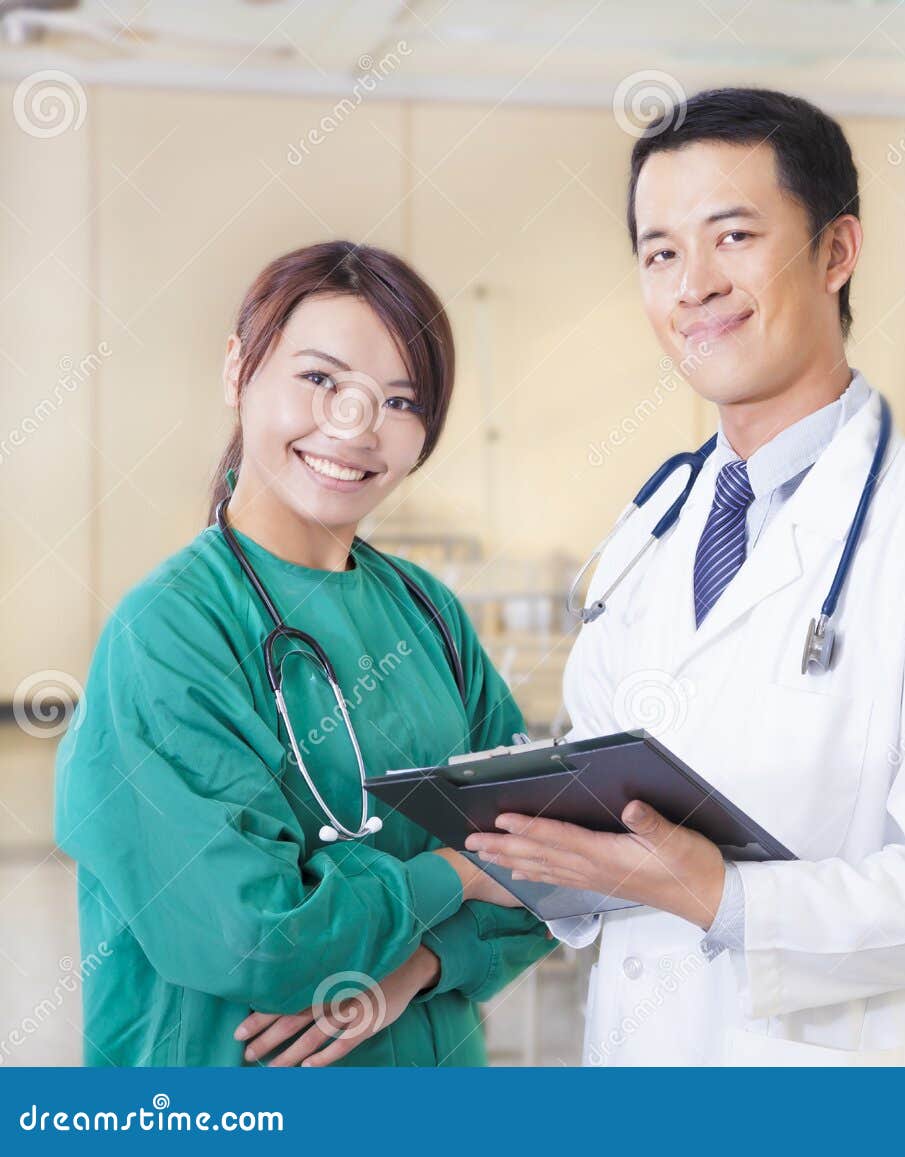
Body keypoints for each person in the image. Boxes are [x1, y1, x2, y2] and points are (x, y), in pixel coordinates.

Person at [465, 87, 905, 1066]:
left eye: (731, 236)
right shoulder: (650, 531)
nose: (691, 284)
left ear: (836, 252)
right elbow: (612, 810)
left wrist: (719, 894)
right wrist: (507, 850)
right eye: (659, 253)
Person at [54, 242, 547, 1067]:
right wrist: (456, 875)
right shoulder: (172, 633)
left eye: (399, 399)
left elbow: (550, 862)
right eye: (320, 380)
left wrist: (418, 968)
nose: (354, 426)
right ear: (238, 371)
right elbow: (257, 936)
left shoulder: (429, 614)